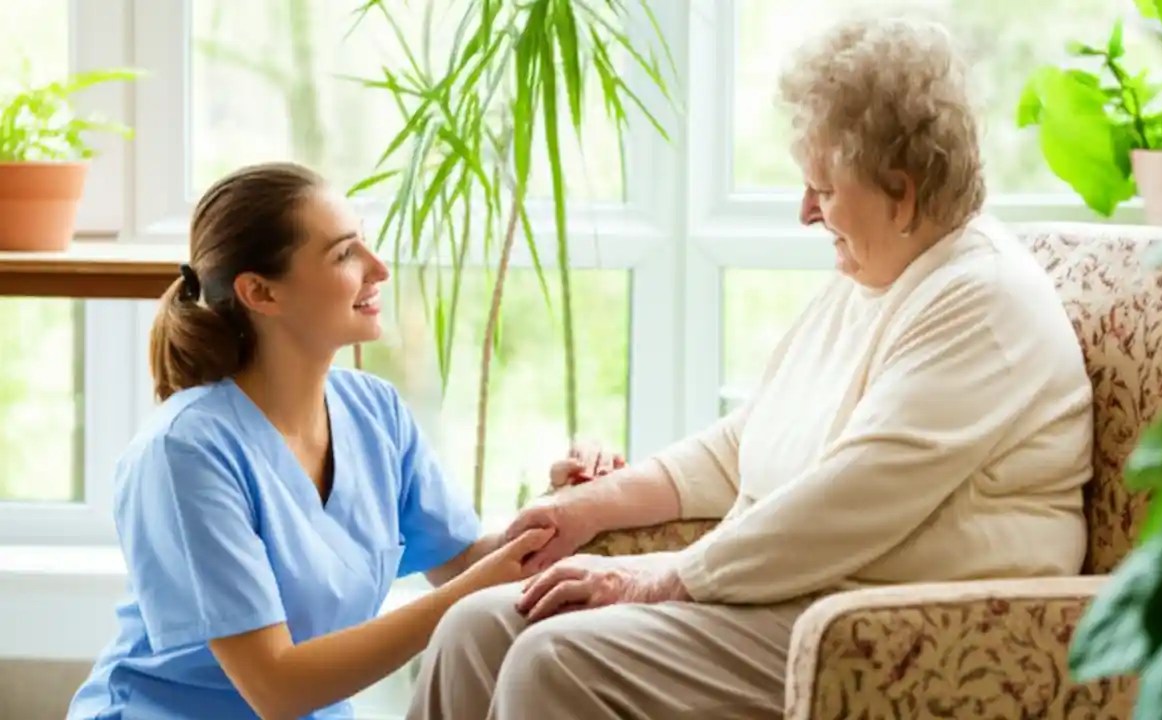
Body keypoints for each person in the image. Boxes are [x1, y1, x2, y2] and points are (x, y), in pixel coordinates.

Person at [408, 13, 1095, 720]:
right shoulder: (882, 274)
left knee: (556, 660)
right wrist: (586, 508)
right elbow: (748, 442)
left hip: (883, 633)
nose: (805, 211)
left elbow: (849, 500)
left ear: (903, 191)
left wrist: (666, 579)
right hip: (798, 595)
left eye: (823, 189)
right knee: (476, 628)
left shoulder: (982, 303)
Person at [66, 162, 551, 720]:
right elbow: (276, 687)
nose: (379, 269)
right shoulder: (185, 453)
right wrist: (466, 593)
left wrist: (559, 511)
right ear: (260, 291)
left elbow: (463, 562)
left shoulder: (377, 414)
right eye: (345, 254)